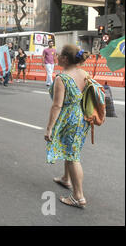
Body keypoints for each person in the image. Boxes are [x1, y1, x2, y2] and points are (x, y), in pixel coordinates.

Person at [45, 45, 91, 209]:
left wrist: (49, 127)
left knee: (73, 157)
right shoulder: (85, 74)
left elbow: (57, 106)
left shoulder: (62, 78)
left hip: (68, 118)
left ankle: (78, 196)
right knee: (70, 149)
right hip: (81, 117)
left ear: (65, 58)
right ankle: (66, 178)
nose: (56, 57)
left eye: (58, 55)